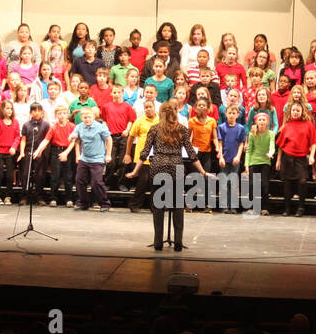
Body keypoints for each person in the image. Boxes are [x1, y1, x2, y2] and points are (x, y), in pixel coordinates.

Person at [128, 102, 211, 250]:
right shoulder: (182, 130)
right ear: (175, 113)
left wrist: (135, 171)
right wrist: (203, 171)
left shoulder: (154, 129)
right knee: (177, 206)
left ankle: (158, 242)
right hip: (176, 169)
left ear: (161, 114)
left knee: (158, 207)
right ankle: (178, 242)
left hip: (158, 168)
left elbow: (144, 153)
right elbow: (192, 155)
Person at [69, 108, 113, 212]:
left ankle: (104, 203)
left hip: (97, 159)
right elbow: (72, 138)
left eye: (89, 117)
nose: (87, 119)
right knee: (79, 180)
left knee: (96, 182)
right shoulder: (79, 127)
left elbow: (108, 139)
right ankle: (84, 203)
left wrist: (108, 154)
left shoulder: (101, 127)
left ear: (93, 117)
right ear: (81, 118)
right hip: (84, 158)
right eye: (85, 117)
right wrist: (72, 137)